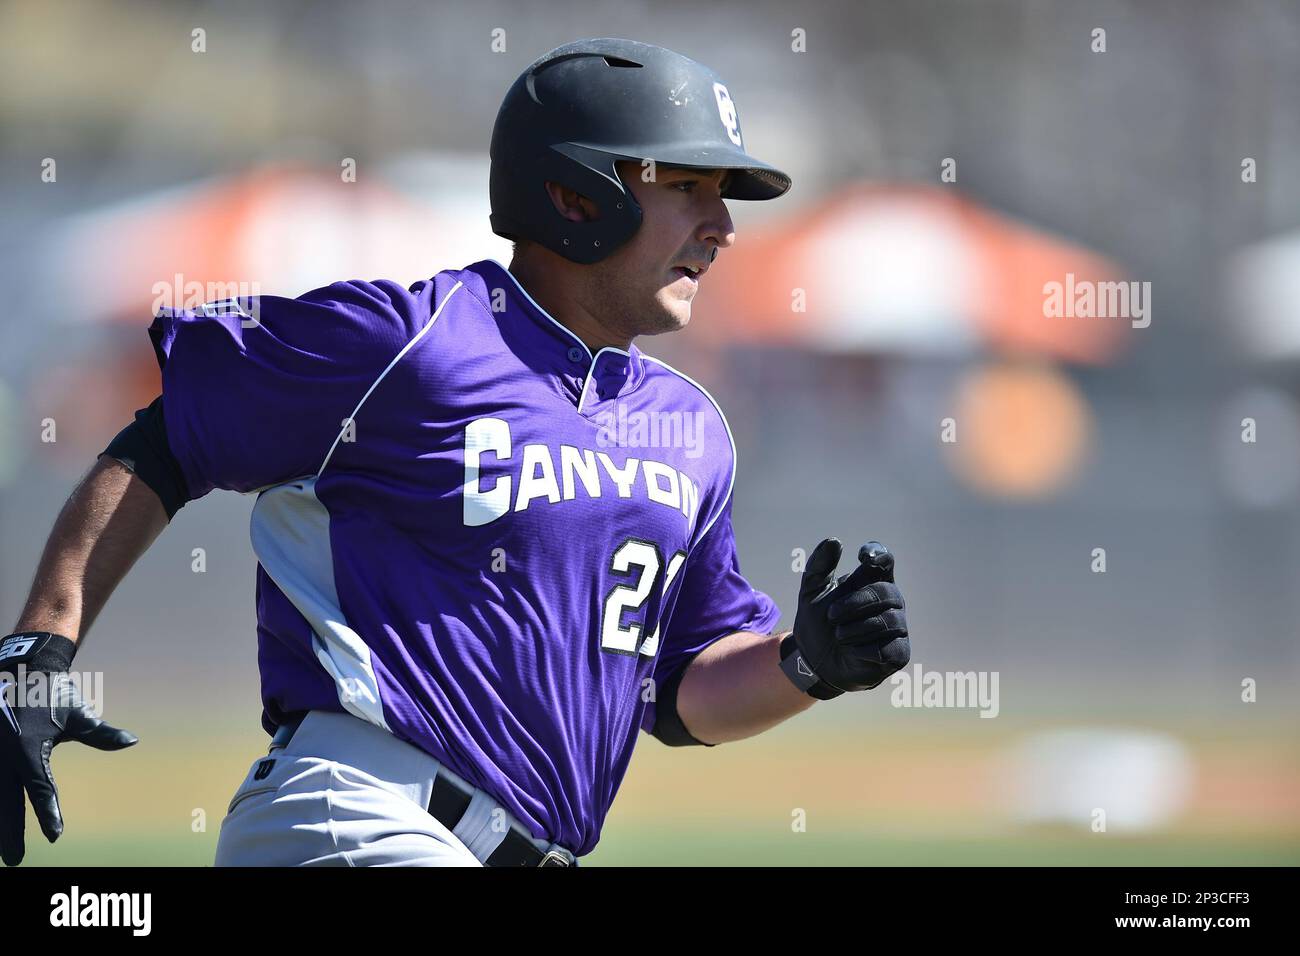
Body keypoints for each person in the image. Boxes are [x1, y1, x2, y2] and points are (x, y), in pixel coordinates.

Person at [0, 37, 909, 868]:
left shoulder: (694, 429)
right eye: (687, 186)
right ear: (574, 194)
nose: (722, 224)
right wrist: (38, 648)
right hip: (357, 816)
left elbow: (676, 696)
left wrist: (807, 665)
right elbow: (172, 436)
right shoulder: (409, 341)